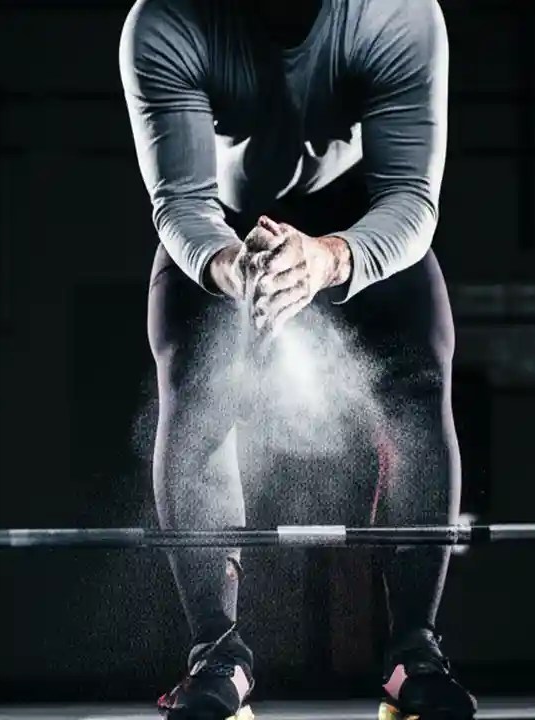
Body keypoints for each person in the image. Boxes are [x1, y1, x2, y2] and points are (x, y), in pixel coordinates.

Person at [119, 1, 474, 719]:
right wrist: (229, 269)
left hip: (361, 218)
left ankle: (415, 651)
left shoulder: (398, 13)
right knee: (189, 368)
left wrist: (330, 257)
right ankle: (217, 656)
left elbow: (411, 197)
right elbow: (181, 202)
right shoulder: (164, 21)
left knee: (423, 364)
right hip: (224, 230)